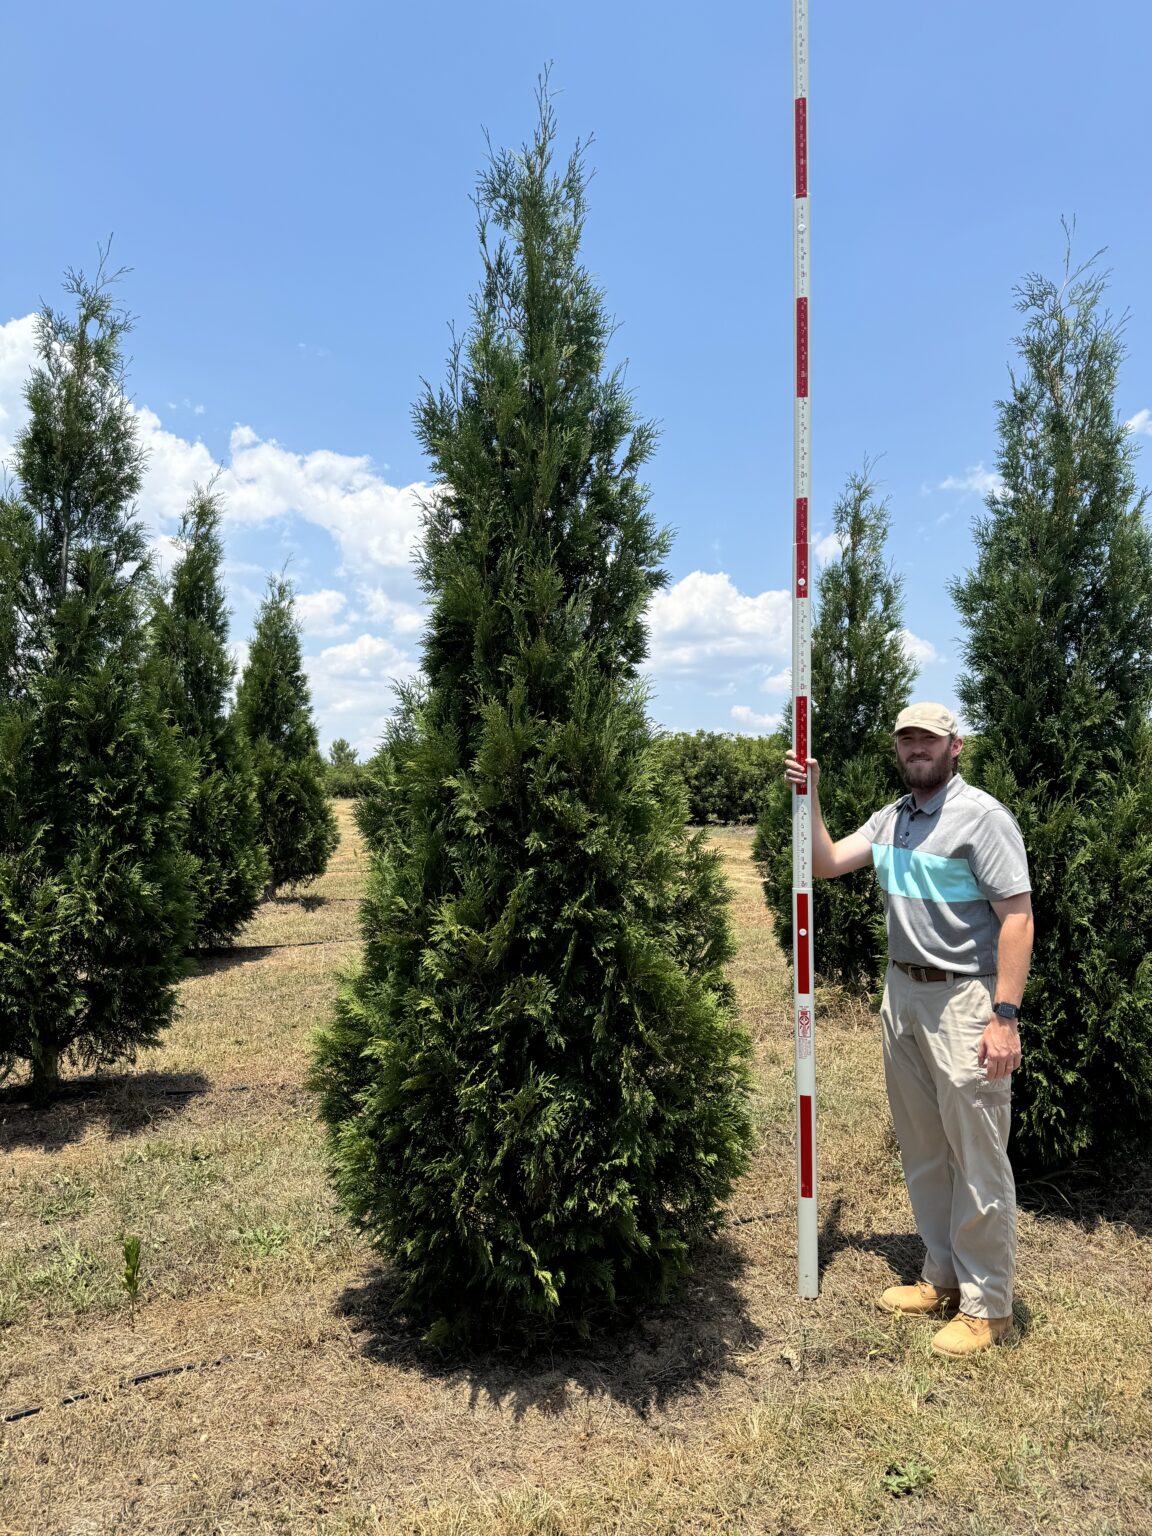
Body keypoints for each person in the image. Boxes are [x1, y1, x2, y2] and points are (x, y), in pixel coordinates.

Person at [784, 702, 1034, 1357]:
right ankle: (943, 1276)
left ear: (955, 746)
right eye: (907, 739)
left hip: (965, 1001)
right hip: (903, 995)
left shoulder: (982, 818)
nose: (916, 748)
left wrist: (1004, 1017)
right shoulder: (892, 819)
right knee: (924, 1148)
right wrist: (809, 799)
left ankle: (989, 1305)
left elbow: (1017, 919)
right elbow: (827, 863)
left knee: (976, 1153)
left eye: (929, 739)